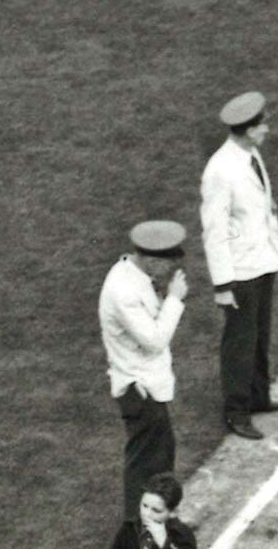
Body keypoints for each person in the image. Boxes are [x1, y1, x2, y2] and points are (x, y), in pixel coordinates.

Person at [201, 91, 278, 441]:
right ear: (249, 129)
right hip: (240, 272)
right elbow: (214, 231)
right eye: (263, 124)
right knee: (240, 342)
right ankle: (236, 412)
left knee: (260, 334)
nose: (267, 128)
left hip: (262, 260)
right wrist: (222, 286)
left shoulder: (250, 154)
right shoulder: (220, 171)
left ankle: (258, 396)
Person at [99, 220, 188, 520]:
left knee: (159, 458)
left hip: (146, 387)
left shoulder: (133, 274)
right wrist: (175, 298)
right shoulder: (123, 290)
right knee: (145, 468)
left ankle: (155, 524)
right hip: (140, 391)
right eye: (168, 263)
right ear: (151, 259)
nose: (171, 270)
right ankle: (137, 533)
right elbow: (155, 340)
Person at [111, 473, 197, 549]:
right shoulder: (129, 529)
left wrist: (164, 542)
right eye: (144, 506)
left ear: (172, 512)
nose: (146, 514)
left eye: (156, 510)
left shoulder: (182, 536)